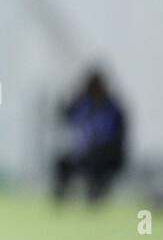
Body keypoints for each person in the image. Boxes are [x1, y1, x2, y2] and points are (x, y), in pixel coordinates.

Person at [53, 69, 128, 204]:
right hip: (86, 154)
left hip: (108, 155)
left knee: (95, 160)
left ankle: (95, 196)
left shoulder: (113, 108)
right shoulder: (83, 104)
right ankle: (60, 199)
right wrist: (68, 94)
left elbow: (120, 137)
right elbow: (65, 115)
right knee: (62, 163)